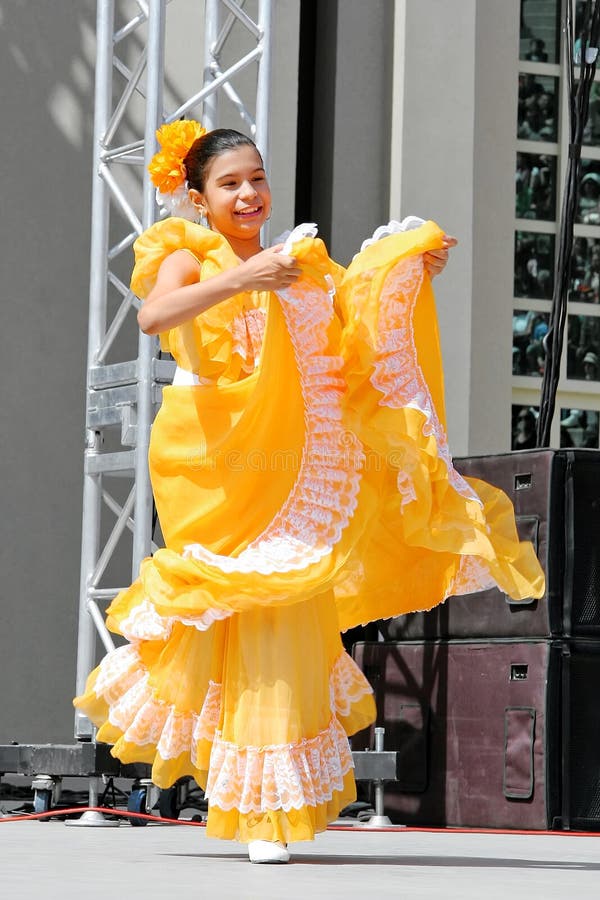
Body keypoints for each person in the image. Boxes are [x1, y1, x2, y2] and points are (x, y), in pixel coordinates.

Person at [74, 120, 545, 863]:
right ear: (197, 198)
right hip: (218, 455)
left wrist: (405, 275)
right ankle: (255, 807)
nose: (250, 193)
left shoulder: (299, 267)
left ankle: (265, 813)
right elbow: (153, 316)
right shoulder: (183, 251)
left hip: (288, 454)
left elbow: (348, 349)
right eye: (230, 183)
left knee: (284, 614)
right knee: (236, 608)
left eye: (257, 178)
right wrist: (242, 278)